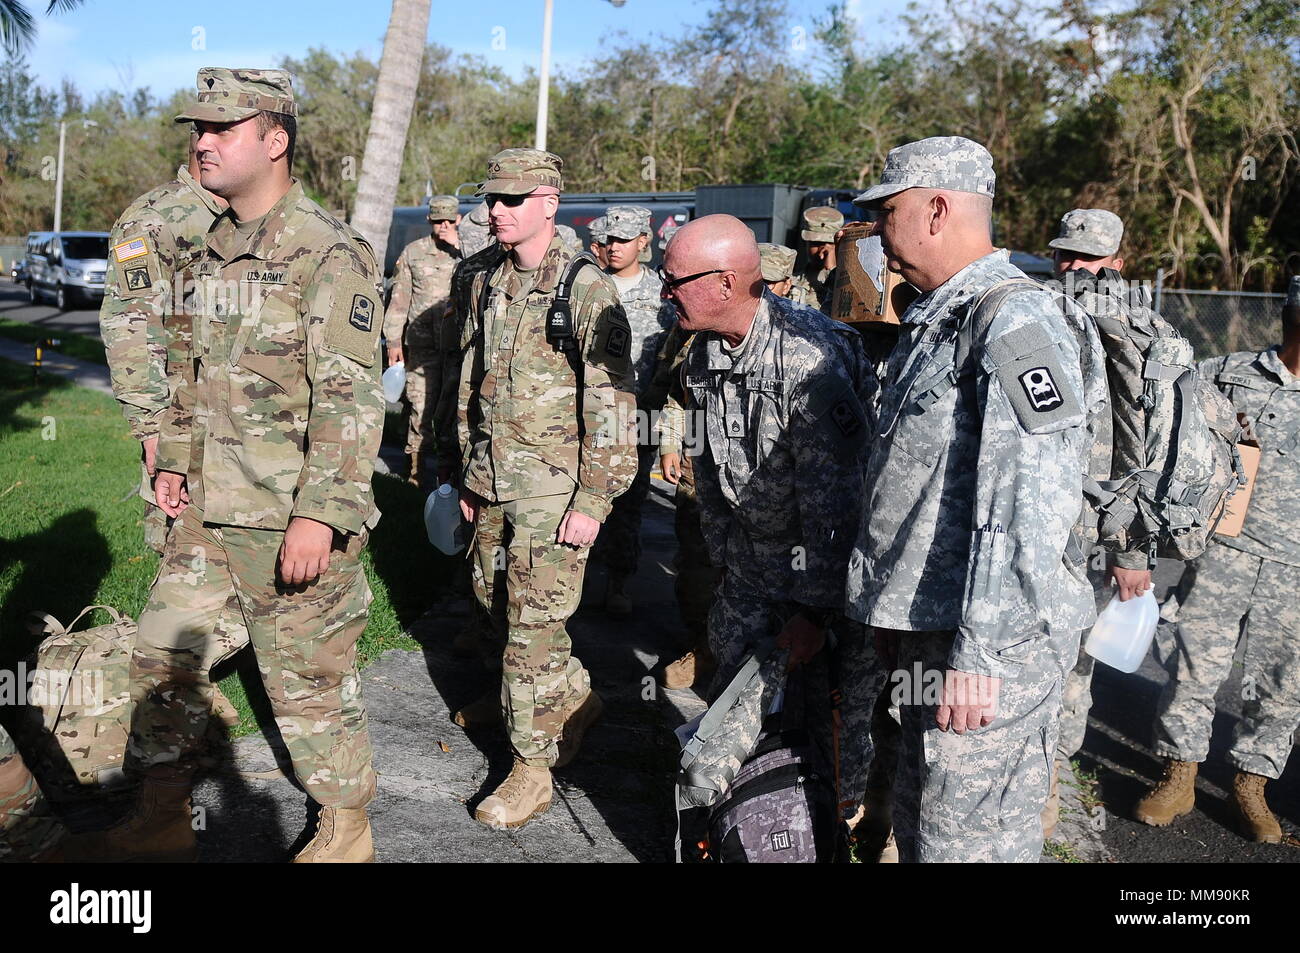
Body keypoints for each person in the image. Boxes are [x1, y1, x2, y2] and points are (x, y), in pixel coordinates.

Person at [71, 68, 386, 863]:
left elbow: (351, 400)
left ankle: (346, 827)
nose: (201, 143)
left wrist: (320, 513)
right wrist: (172, 459)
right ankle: (162, 815)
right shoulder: (213, 249)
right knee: (163, 657)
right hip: (208, 512)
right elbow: (188, 369)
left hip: (288, 515)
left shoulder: (327, 249)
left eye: (221, 129)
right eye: (196, 130)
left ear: (274, 141)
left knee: (309, 686)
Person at [845, 136, 1107, 863]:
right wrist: (895, 615)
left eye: (886, 211)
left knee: (970, 843)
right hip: (940, 628)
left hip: (990, 642)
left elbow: (1026, 504)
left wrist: (981, 653)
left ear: (934, 209)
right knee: (926, 822)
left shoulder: (1014, 321)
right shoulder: (941, 317)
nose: (877, 231)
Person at [664, 214, 881, 822]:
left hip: (823, 583)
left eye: (675, 279)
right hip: (748, 570)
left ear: (726, 283)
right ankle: (754, 827)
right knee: (735, 714)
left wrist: (812, 612)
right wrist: (724, 560)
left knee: (839, 726)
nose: (665, 291)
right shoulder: (703, 352)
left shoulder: (812, 358)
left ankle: (842, 828)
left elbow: (836, 503)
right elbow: (705, 466)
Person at [451, 148, 637, 829]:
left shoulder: (586, 288)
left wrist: (594, 500)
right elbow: (475, 382)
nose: (497, 210)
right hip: (494, 481)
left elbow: (615, 403)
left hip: (553, 493)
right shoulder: (485, 280)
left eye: (513, 199)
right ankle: (568, 696)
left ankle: (531, 767)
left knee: (532, 628)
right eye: (493, 199)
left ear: (550, 204)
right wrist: (470, 470)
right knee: (492, 605)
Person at [1134, 275, 1300, 843]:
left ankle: (1252, 786)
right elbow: (1169, 442)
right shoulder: (1227, 375)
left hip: (1295, 570)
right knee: (1194, 664)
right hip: (1224, 551)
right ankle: (1178, 774)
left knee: (1282, 681)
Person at [99, 130, 244, 730]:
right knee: (180, 543)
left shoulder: (241, 215)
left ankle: (188, 674)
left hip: (239, 422)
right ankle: (174, 683)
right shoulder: (155, 220)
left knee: (234, 546)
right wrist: (151, 426)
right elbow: (127, 322)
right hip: (180, 422)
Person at [1042, 208, 1155, 832]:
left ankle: (1051, 796)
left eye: (1089, 258)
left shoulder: (1134, 331)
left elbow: (1145, 452)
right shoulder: (1038, 313)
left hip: (1092, 530)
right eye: (1066, 255)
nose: (1075, 267)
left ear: (1116, 262)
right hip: (1033, 524)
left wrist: (1133, 551)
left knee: (1072, 668)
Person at [594, 205, 677, 615]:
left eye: (623, 240)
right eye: (609, 239)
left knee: (628, 502)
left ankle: (618, 582)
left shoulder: (662, 295)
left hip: (640, 416)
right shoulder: (587, 286)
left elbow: (673, 359)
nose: (614, 248)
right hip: (589, 415)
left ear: (643, 241)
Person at [382, 194, 462, 486]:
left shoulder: (467, 255)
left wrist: (460, 248)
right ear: (429, 221)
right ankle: (414, 476)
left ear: (458, 220)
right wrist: (393, 342)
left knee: (454, 412)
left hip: (457, 348)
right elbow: (400, 299)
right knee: (420, 409)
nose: (443, 226)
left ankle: (449, 477)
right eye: (438, 221)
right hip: (422, 346)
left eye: (449, 221)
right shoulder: (414, 253)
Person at [788, 206, 842, 313]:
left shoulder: (844, 282)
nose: (823, 250)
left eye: (830, 244)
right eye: (816, 244)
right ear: (806, 243)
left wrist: (831, 270)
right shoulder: (791, 282)